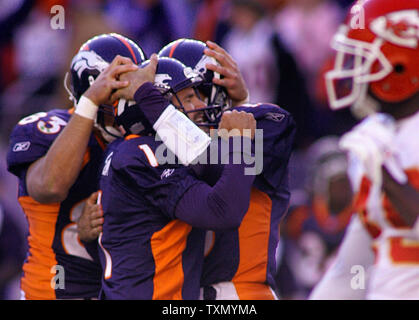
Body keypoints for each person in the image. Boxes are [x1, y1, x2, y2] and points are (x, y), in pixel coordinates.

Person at [97, 56, 257, 299]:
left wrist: (242, 104)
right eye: (190, 97)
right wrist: (242, 144)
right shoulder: (144, 155)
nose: (200, 104)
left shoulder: (129, 150)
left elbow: (227, 168)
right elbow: (224, 211)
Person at [6, 33, 149, 299]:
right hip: (52, 292)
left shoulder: (144, 136)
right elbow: (50, 186)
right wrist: (91, 105)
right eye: (114, 94)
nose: (125, 106)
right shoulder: (48, 129)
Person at [158, 38, 296, 299]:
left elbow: (213, 159)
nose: (194, 105)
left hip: (240, 293)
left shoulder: (268, 125)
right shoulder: (154, 151)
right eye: (179, 97)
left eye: (195, 94)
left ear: (217, 91)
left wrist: (241, 103)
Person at [312, 0, 419, 300]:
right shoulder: (375, 137)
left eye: (362, 56)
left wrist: (387, 176)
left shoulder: (378, 151)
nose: (350, 70)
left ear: (401, 59)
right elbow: (351, 271)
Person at [277, 136, 354, 299]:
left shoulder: (358, 213)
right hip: (301, 292)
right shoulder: (298, 212)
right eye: (336, 182)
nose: (342, 189)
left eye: (344, 181)